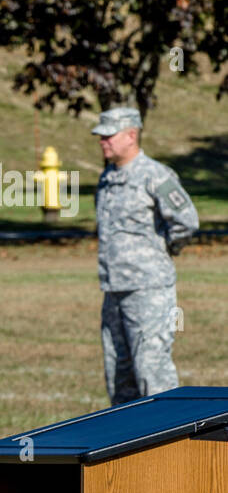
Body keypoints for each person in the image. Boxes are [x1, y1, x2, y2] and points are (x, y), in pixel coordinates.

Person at [91, 107, 198, 405]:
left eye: (108, 136)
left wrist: (165, 250)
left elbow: (186, 220)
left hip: (148, 290)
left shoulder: (156, 176)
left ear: (131, 135)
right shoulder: (107, 178)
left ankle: (169, 444)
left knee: (152, 373)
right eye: (101, 136)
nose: (102, 141)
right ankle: (128, 448)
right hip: (114, 290)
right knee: (119, 376)